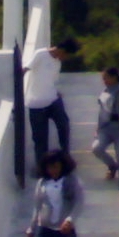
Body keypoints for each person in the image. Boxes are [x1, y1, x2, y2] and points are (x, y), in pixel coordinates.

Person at [23, 37, 80, 175]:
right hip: (36, 103)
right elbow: (25, 69)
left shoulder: (57, 63)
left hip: (53, 100)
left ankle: (65, 158)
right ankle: (42, 168)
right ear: (62, 50)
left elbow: (51, 81)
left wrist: (56, 92)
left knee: (63, 125)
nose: (65, 58)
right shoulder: (41, 54)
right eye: (66, 55)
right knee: (40, 139)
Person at [90, 67, 119, 189]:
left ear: (114, 77)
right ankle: (112, 165)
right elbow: (102, 112)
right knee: (97, 148)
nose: (104, 81)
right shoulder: (104, 92)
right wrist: (98, 127)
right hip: (105, 128)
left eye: (106, 78)